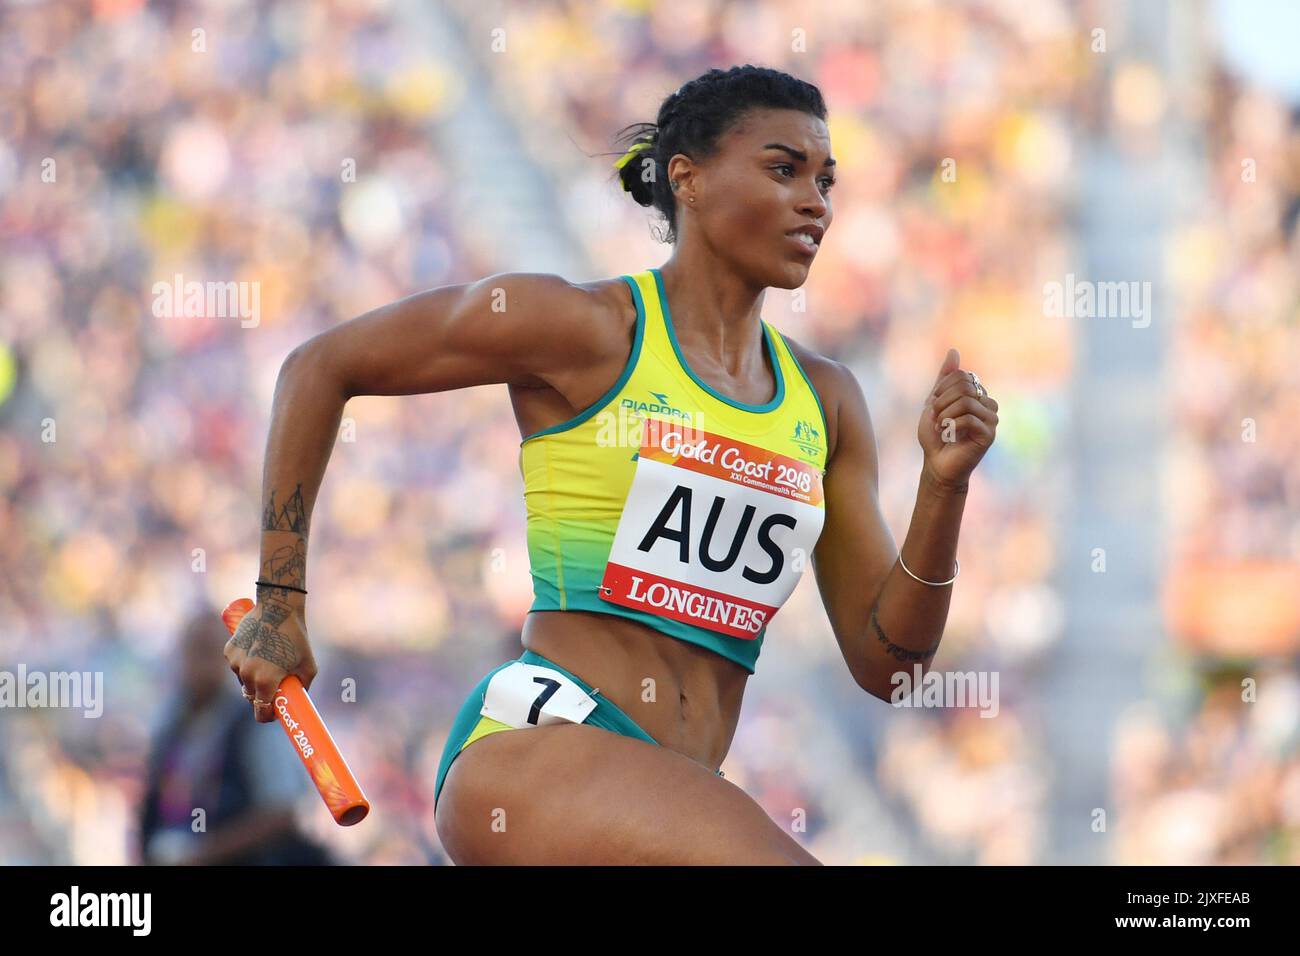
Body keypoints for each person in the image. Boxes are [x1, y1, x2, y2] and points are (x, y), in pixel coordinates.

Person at [222, 64, 998, 865]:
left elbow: (890, 666)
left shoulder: (825, 401)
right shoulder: (586, 328)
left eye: (826, 180)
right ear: (688, 181)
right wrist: (280, 601)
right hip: (541, 743)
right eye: (783, 169)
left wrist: (943, 488)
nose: (816, 203)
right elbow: (319, 367)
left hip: (666, 793)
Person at [140, 605, 333, 865]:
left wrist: (203, 853)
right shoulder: (170, 722)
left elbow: (283, 813)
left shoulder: (256, 720)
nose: (199, 662)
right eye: (194, 649)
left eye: (209, 650)